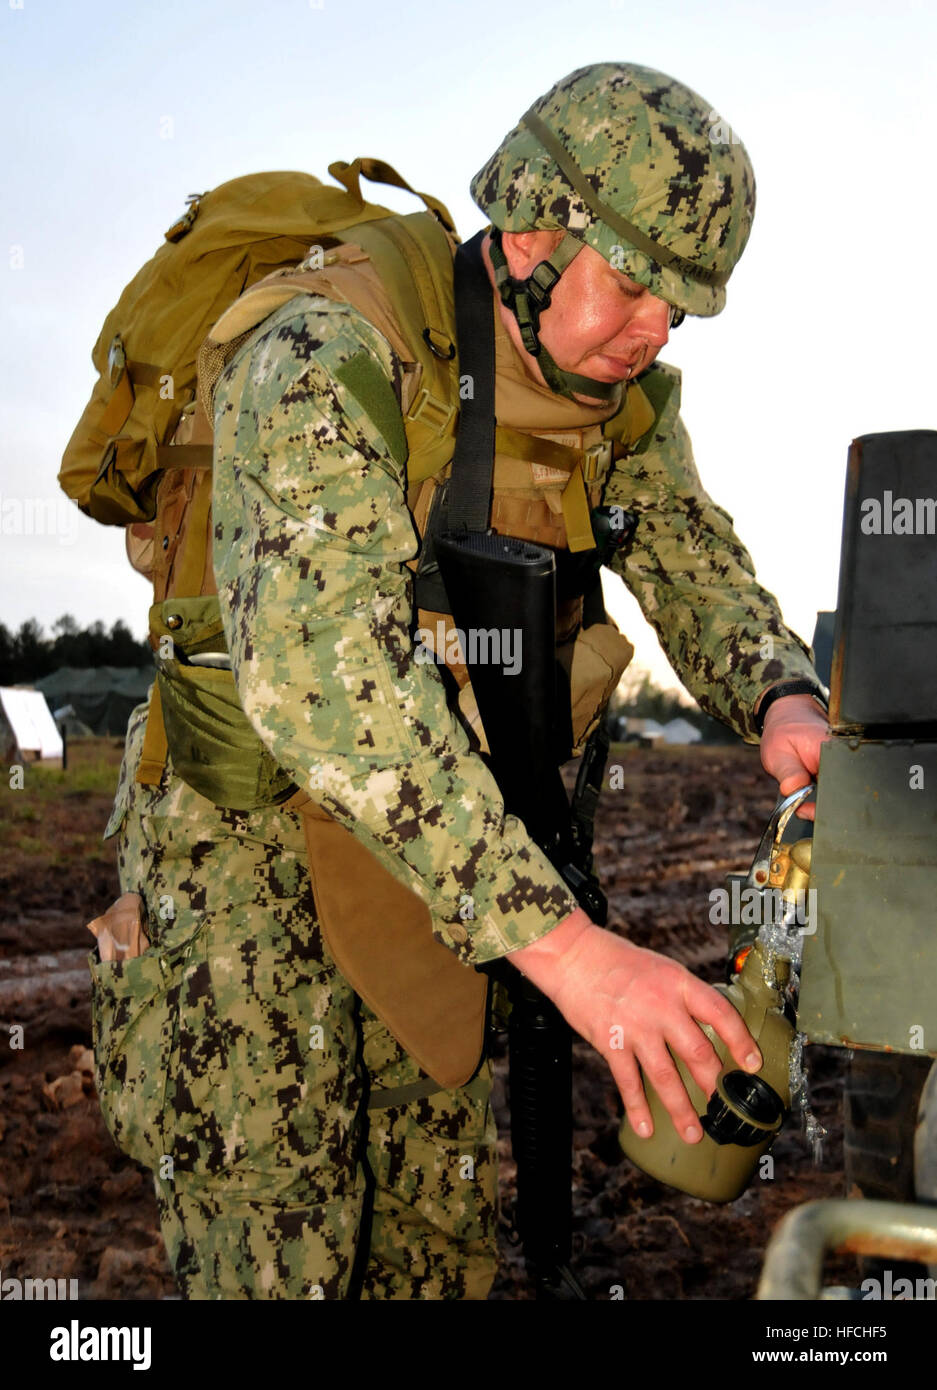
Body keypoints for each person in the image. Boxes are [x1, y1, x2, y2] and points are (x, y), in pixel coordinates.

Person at [98, 60, 828, 1300]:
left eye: (686, 306)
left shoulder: (612, 397)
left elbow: (685, 547)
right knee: (284, 1245)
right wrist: (574, 952)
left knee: (436, 1239)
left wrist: (780, 697)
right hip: (251, 868)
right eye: (641, 283)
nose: (659, 330)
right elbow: (329, 682)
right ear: (538, 232)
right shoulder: (322, 349)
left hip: (435, 860)